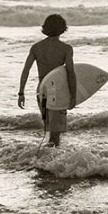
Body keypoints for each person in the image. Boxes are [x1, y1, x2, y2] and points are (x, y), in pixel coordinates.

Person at [18, 13, 77, 147]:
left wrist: (21, 93)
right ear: (63, 28)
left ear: (45, 28)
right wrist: (73, 95)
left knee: (50, 128)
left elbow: (25, 70)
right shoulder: (66, 49)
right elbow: (71, 73)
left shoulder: (36, 47)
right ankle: (51, 163)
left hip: (42, 90)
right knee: (55, 134)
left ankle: (47, 161)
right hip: (58, 91)